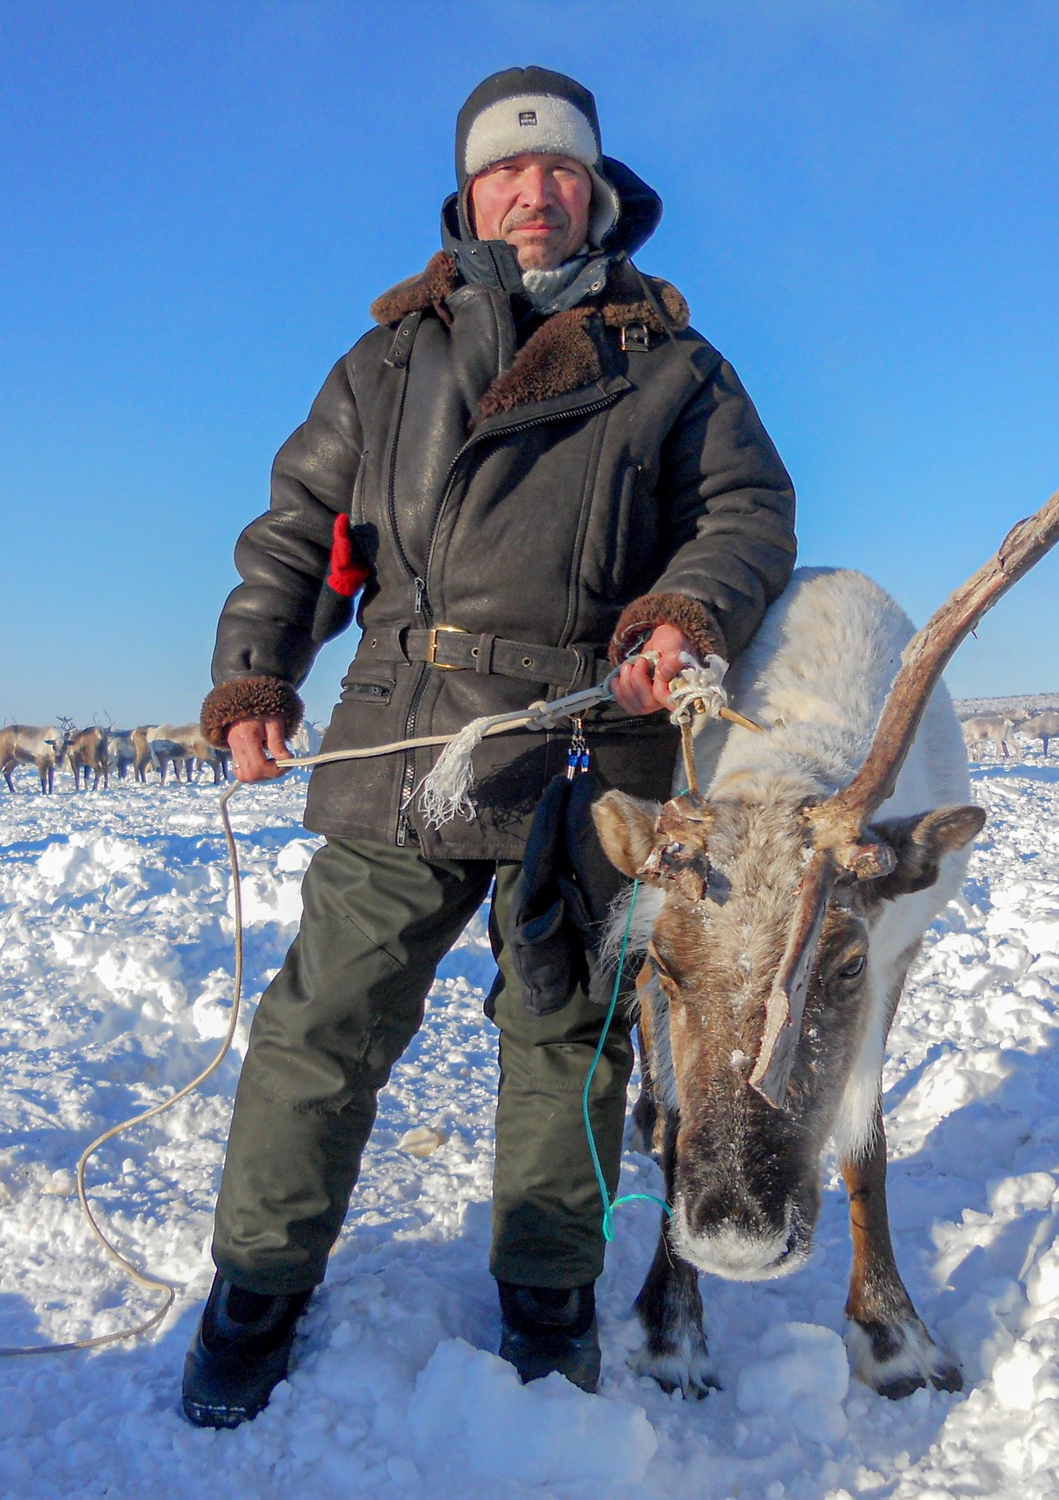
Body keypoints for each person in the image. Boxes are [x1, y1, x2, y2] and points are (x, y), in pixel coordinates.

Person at [182, 65, 796, 1428]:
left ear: (600, 193)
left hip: (584, 748)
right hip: (398, 739)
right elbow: (302, 534)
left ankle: (547, 1294)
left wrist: (682, 613)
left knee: (570, 1039)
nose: (535, 189)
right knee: (321, 1029)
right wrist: (257, 675)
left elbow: (744, 517)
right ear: (469, 196)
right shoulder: (388, 359)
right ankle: (258, 1288)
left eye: (560, 168)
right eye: (507, 170)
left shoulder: (675, 367)